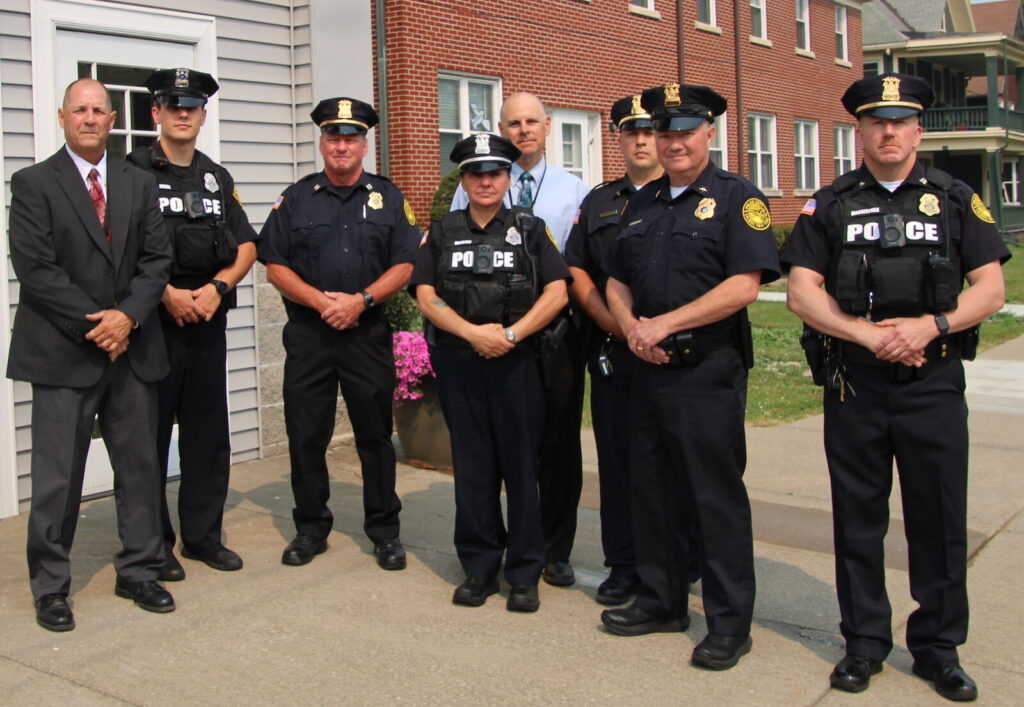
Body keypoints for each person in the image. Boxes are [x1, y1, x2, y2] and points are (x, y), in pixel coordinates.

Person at [782, 74, 1009, 702]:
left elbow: (991, 290)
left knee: (938, 519)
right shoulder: (829, 204)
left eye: (900, 121)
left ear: (917, 130)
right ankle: (864, 644)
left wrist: (930, 325)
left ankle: (939, 647)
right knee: (858, 517)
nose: (888, 132)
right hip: (855, 381)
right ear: (859, 130)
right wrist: (865, 335)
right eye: (875, 121)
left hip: (932, 381)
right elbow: (802, 292)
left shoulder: (955, 198)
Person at [600, 83, 780, 671]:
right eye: (663, 131)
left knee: (714, 498)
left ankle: (729, 622)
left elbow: (744, 284)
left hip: (706, 371)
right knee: (650, 491)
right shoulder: (641, 203)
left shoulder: (736, 198)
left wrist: (664, 325)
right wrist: (631, 327)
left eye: (685, 131)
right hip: (646, 369)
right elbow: (616, 278)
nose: (673, 142)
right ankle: (661, 600)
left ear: (709, 134)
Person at [7, 78, 175, 631]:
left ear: (111, 118)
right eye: (79, 109)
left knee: (139, 468)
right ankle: (51, 587)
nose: (89, 118)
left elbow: (157, 260)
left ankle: (140, 569)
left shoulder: (138, 182)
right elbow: (36, 270)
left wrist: (127, 317)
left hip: (132, 349)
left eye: (99, 110)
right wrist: (101, 325)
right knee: (59, 478)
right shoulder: (33, 183)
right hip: (61, 352)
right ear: (62, 117)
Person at [259, 97, 420, 571]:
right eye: (333, 137)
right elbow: (274, 264)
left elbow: (406, 264)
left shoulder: (388, 198)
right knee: (306, 436)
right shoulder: (297, 198)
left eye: (350, 137)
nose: (341, 145)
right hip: (310, 335)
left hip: (366, 334)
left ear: (364, 144)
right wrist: (321, 302)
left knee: (375, 437)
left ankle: (385, 532)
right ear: (323, 142)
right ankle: (310, 528)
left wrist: (361, 301)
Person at [412, 133, 569, 612]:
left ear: (507, 179)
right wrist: (473, 334)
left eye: (495, 172)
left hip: (517, 364)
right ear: (464, 179)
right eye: (476, 173)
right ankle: (479, 568)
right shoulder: (441, 231)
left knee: (522, 469)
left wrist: (512, 335)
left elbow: (558, 291)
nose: (485, 181)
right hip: (462, 365)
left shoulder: (532, 227)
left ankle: (524, 572)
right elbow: (424, 293)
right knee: (474, 471)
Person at [128, 68, 258, 581]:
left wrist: (218, 287)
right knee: (148, 436)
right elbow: (120, 249)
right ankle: (153, 543)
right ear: (156, 112)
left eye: (193, 106)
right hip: (153, 325)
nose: (183, 113)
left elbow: (246, 244)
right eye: (173, 105)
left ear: (204, 114)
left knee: (207, 436)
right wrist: (165, 293)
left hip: (206, 321)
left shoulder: (216, 177)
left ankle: (203, 536)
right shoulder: (131, 172)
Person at [453, 92, 588, 586]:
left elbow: (576, 267)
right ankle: (496, 547)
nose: (523, 130)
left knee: (555, 446)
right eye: (514, 122)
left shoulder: (575, 191)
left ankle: (554, 548)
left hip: (553, 337)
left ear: (548, 126)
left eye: (532, 121)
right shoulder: (472, 187)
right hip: (488, 340)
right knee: (498, 448)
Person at [563, 94, 663, 605]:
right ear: (619, 139)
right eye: (631, 132)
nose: (641, 140)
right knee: (619, 462)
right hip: (613, 352)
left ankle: (679, 561)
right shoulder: (600, 201)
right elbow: (576, 268)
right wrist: (614, 323)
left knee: (676, 463)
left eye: (650, 131)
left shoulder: (690, 194)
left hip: (675, 357)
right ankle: (624, 564)